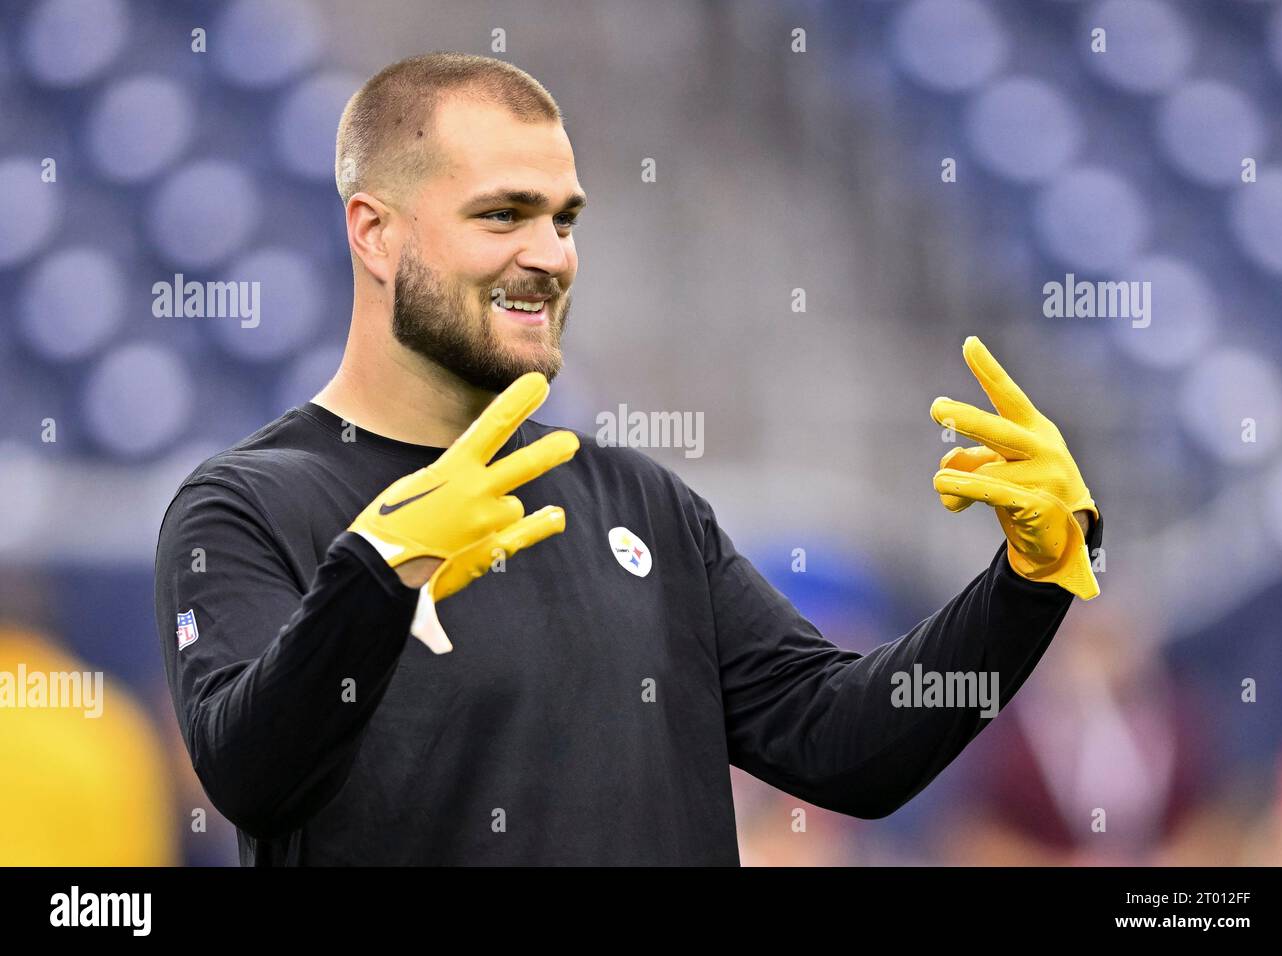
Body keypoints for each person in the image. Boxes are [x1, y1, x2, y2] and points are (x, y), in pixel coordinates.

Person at [153, 52, 1103, 865]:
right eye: (502, 216)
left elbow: (845, 745)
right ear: (375, 232)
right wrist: (378, 574)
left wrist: (1029, 580)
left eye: (563, 220)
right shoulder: (244, 506)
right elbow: (250, 774)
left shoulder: (640, 500)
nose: (551, 255)